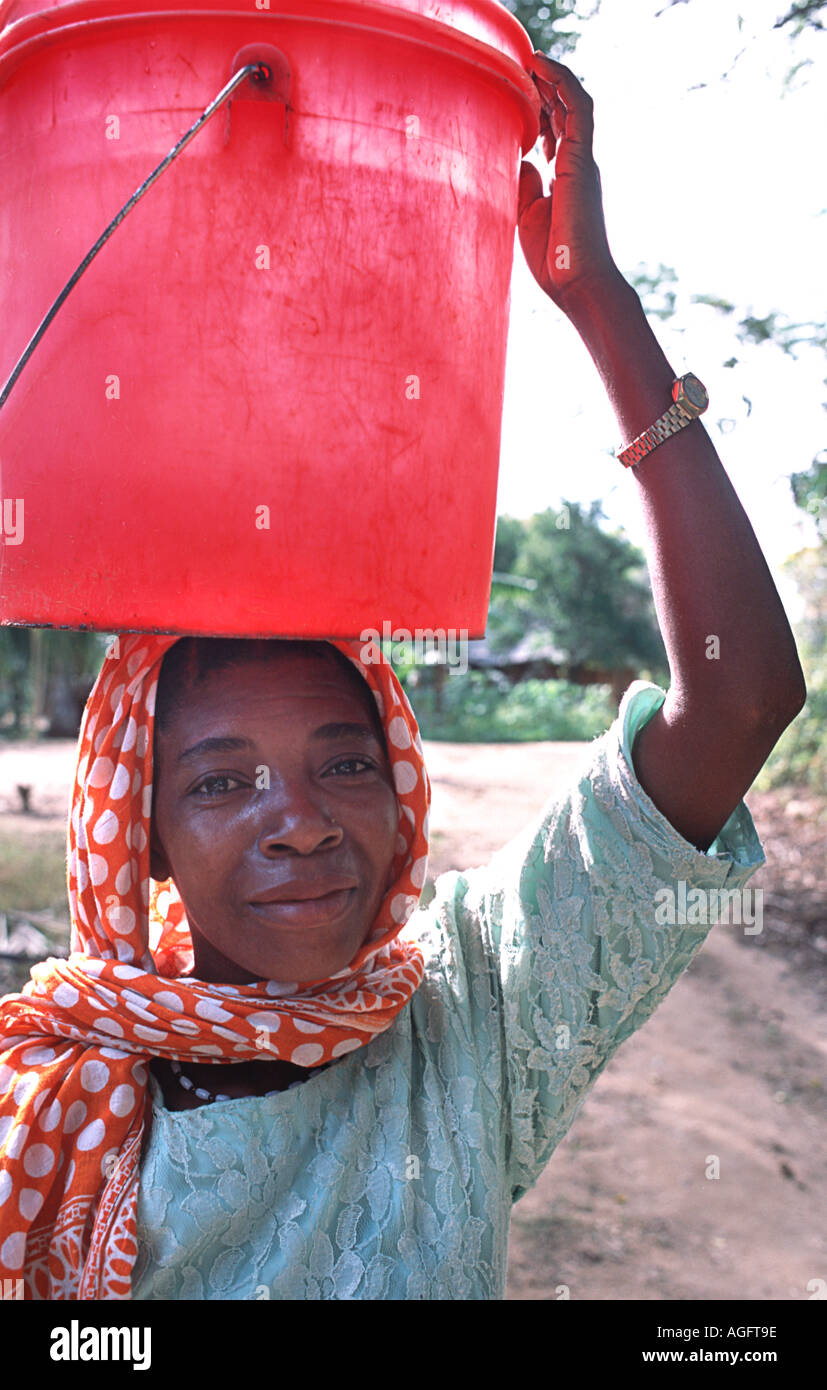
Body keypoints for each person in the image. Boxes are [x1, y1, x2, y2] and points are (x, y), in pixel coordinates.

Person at [0, 54, 805, 1301]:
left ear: (400, 789)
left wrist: (592, 297)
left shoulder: (472, 1015)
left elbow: (741, 697)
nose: (304, 819)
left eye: (343, 761)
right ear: (138, 835)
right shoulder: (62, 1095)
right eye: (220, 782)